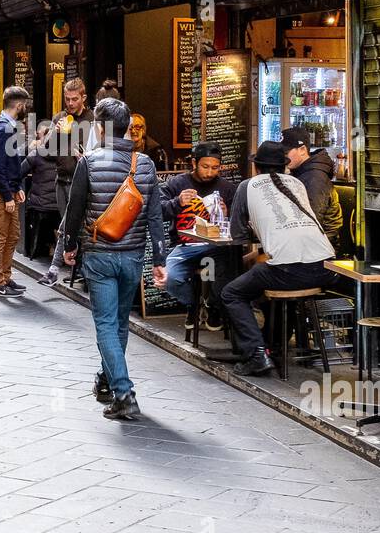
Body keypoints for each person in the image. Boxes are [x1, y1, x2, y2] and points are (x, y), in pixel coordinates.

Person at [62, 98, 167, 420]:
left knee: (106, 324)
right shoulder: (146, 164)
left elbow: (75, 210)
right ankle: (106, 380)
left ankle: (125, 392)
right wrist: (159, 258)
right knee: (120, 323)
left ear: (100, 127)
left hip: (99, 256)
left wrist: (68, 245)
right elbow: (154, 217)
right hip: (133, 256)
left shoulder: (89, 161)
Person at [219, 142, 335, 377]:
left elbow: (237, 234)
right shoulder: (298, 184)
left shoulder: (247, 186)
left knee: (231, 293)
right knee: (268, 283)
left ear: (256, 167)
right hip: (326, 266)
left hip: (288, 270)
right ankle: (275, 345)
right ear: (285, 168)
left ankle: (257, 354)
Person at [161, 142, 239, 330]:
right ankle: (193, 304)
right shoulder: (177, 183)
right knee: (170, 277)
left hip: (217, 248)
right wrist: (177, 202)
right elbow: (158, 211)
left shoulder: (228, 188)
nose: (210, 172)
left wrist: (227, 213)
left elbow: (241, 221)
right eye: (205, 167)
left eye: (215, 168)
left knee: (227, 272)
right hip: (185, 246)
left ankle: (213, 306)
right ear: (194, 163)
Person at [39, 78, 97, 287]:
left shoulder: (93, 120)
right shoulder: (60, 118)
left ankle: (67, 269)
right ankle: (77, 268)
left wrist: (86, 157)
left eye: (74, 99)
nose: (70, 103)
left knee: (76, 226)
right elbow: (45, 152)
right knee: (68, 224)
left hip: (83, 182)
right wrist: (55, 132)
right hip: (61, 180)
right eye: (67, 99)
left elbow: (101, 151)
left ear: (83, 98)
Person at [0, 86, 30, 297]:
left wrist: (17, 187)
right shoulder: (3, 129)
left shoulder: (7, 126)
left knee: (13, 235)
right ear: (19, 105)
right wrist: (7, 194)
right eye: (25, 105)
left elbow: (10, 164)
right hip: (0, 191)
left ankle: (6, 278)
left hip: (8, 190)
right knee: (1, 236)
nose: (26, 109)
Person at [280, 127, 343, 247]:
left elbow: (311, 221)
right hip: (312, 246)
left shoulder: (314, 178)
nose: (284, 157)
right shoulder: (302, 172)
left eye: (286, 153)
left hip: (318, 250)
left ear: (302, 150)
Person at [22, 121, 60, 259]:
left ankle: (34, 248)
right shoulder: (66, 154)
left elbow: (19, 172)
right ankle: (53, 244)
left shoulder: (36, 153)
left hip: (40, 204)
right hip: (60, 205)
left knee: (31, 211)